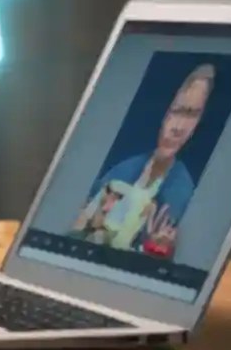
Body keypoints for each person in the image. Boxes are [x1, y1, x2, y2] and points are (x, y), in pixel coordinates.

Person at [73, 63, 215, 260]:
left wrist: (154, 255)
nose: (178, 127)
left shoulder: (183, 195)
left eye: (192, 115)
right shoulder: (120, 171)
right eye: (176, 111)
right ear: (163, 112)